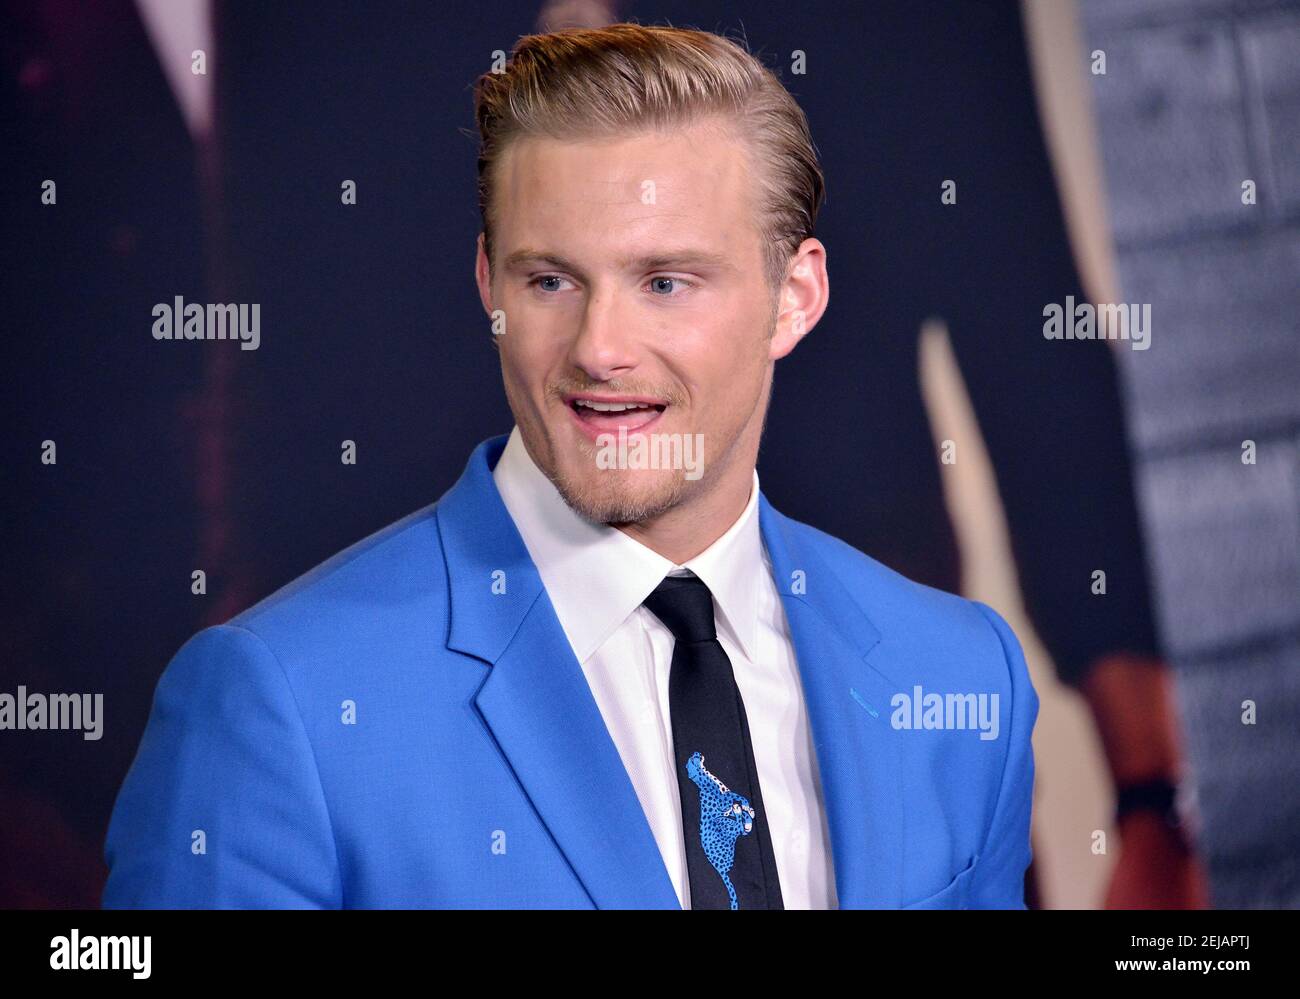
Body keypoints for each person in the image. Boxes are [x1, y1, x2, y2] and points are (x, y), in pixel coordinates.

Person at [102, 23, 1038, 910]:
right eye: (549, 281)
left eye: (664, 282)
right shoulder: (280, 707)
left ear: (794, 298)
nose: (600, 349)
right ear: (487, 285)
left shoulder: (962, 677)